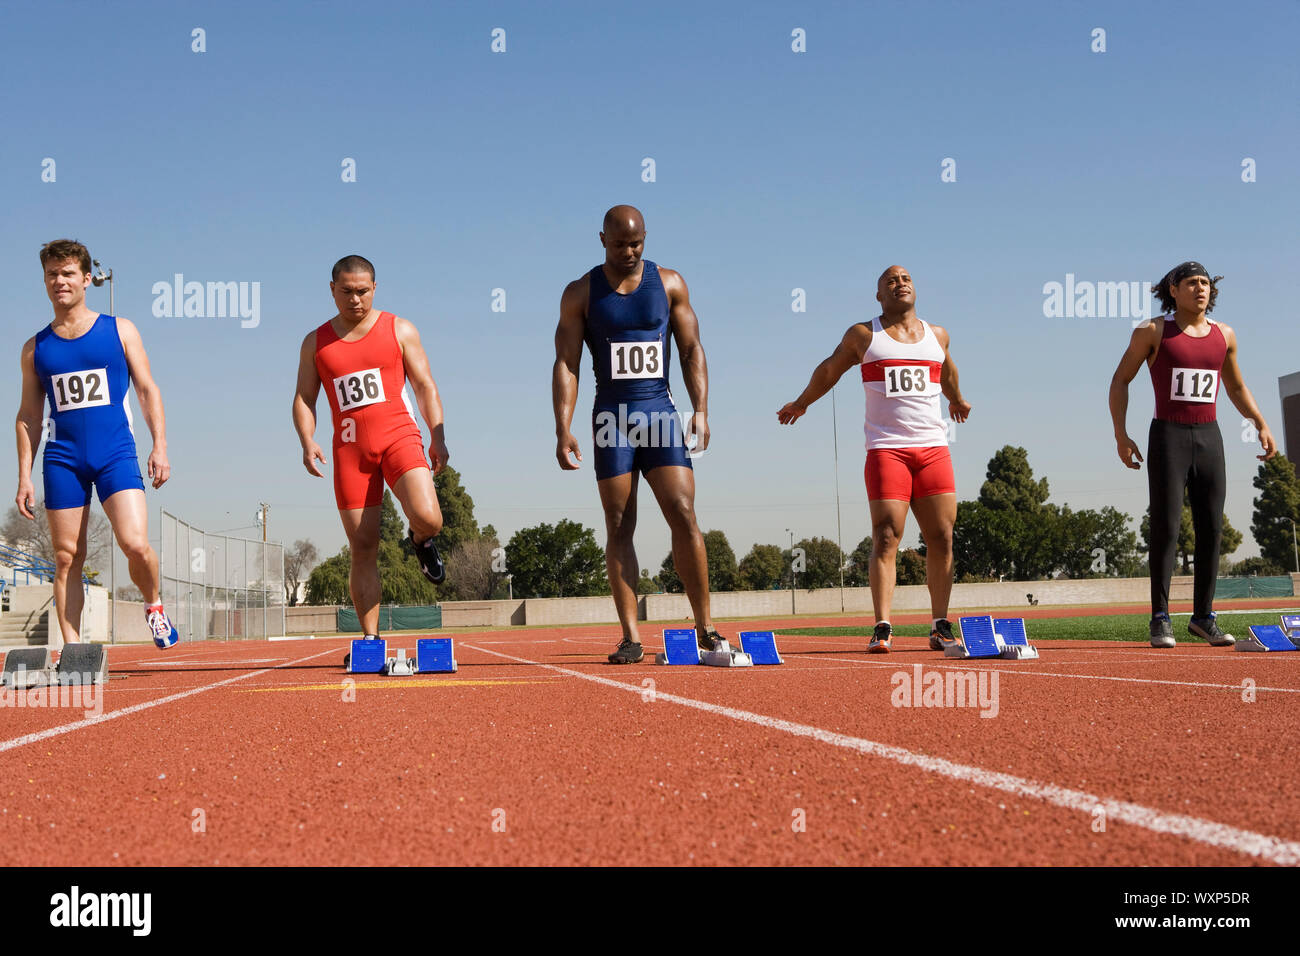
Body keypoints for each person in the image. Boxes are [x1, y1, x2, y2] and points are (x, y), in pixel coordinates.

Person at [553, 205, 728, 664]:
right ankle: (631, 637)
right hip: (612, 418)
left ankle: (705, 627)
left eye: (637, 244)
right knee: (618, 525)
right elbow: (567, 363)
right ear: (601, 240)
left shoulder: (669, 283)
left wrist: (702, 410)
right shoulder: (579, 293)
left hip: (661, 413)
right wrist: (562, 427)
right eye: (619, 245)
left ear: (645, 238)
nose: (629, 252)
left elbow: (691, 349)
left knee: (684, 512)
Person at [778, 265, 971, 653]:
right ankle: (883, 625)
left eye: (906, 279)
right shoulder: (865, 335)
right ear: (879, 296)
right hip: (887, 449)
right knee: (886, 536)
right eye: (890, 281)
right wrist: (802, 403)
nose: (900, 284)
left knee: (943, 537)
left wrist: (956, 398)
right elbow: (830, 369)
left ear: (915, 289)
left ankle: (939, 625)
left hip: (933, 448)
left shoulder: (938, 335)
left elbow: (946, 369)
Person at [15, 239, 179, 649]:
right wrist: (23, 476)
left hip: (115, 454)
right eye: (52, 274)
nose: (59, 281)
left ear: (87, 279)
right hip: (63, 458)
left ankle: (154, 604)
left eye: (68, 273)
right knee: (67, 556)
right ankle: (71, 649)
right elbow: (29, 416)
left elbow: (146, 389)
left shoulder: (119, 330)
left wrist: (159, 445)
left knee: (135, 544)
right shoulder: (35, 349)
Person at [1109, 261, 1276, 648]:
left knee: (1212, 530)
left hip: (1209, 438)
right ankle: (1160, 618)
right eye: (1191, 283)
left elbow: (1235, 387)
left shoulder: (1225, 335)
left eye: (1205, 283)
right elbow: (1120, 380)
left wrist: (1260, 423)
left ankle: (1203, 617)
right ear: (1173, 289)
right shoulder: (1152, 331)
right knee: (1166, 527)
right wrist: (1121, 433)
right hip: (1168, 436)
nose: (1200, 289)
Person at [292, 255, 447, 647]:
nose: (355, 300)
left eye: (363, 291)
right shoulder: (316, 342)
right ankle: (370, 639)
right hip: (350, 451)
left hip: (399, 437)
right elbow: (304, 398)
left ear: (374, 289)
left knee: (429, 517)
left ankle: (420, 540)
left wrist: (437, 435)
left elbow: (425, 385)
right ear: (332, 290)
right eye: (346, 292)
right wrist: (307, 440)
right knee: (363, 547)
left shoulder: (400, 329)